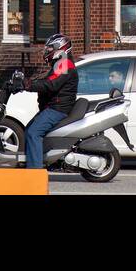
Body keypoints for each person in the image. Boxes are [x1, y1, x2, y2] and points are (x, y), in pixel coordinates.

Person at [24, 33, 78, 169]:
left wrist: (28, 85)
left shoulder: (65, 64)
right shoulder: (60, 64)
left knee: (33, 133)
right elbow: (47, 81)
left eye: (49, 49)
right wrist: (27, 82)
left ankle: (35, 171)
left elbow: (51, 84)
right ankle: (31, 163)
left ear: (60, 48)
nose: (47, 51)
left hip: (58, 108)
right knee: (27, 130)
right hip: (52, 107)